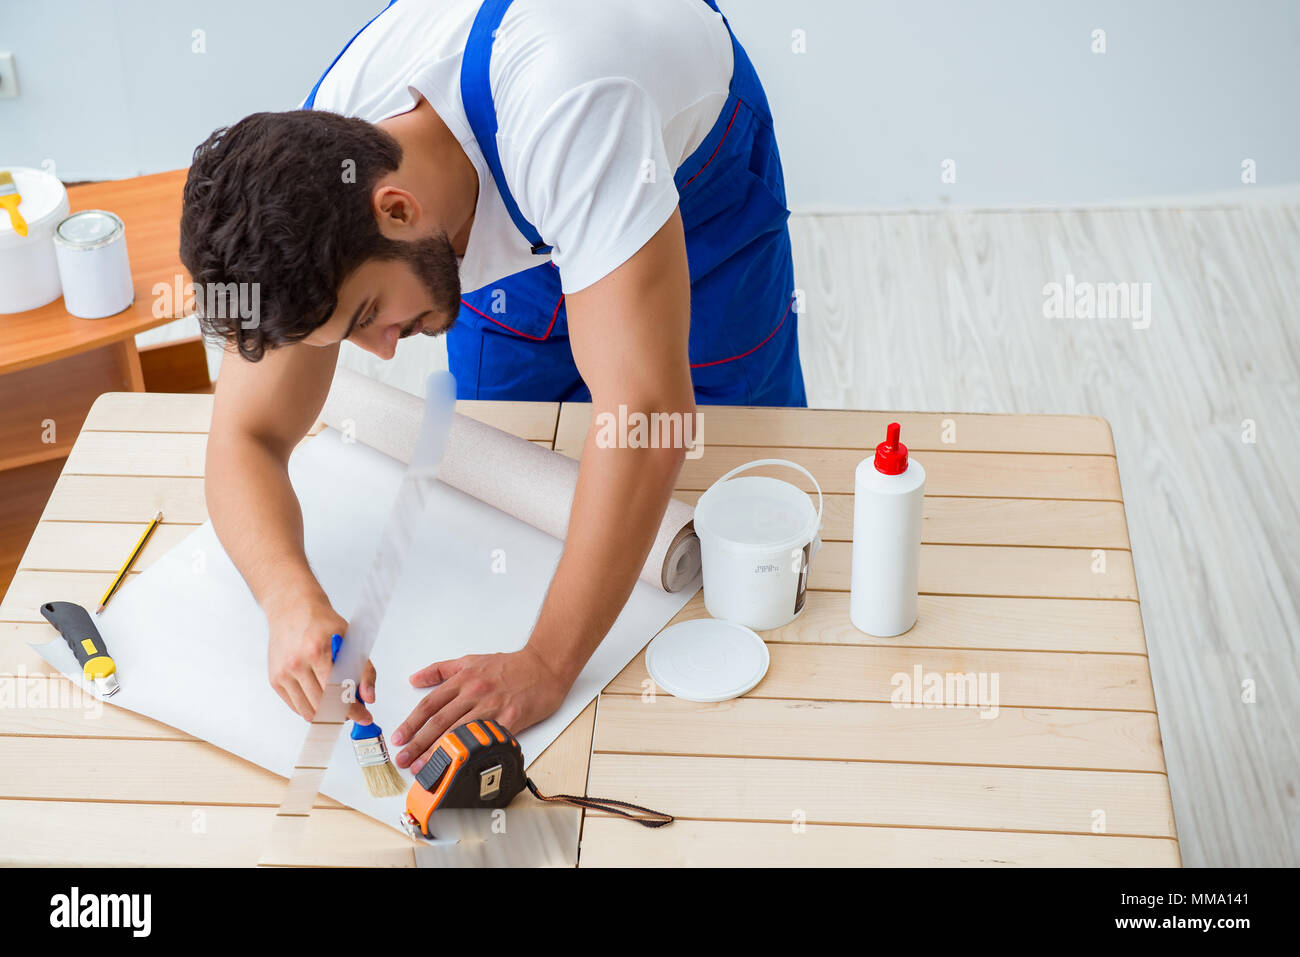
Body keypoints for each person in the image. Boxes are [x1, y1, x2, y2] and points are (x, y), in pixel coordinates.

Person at [179, 0, 805, 776]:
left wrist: (545, 662)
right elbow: (247, 434)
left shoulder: (575, 103)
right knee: (505, 462)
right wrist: (287, 597)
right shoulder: (313, 181)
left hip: (685, 184)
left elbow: (649, 420)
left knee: (743, 496)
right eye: (344, 335)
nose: (377, 353)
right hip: (499, 209)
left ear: (399, 208)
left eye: (370, 315)